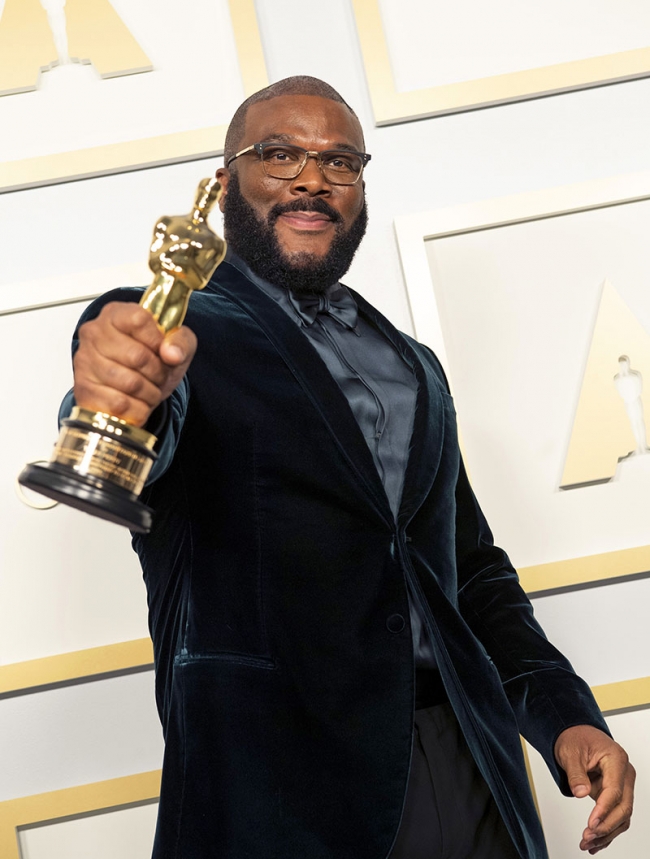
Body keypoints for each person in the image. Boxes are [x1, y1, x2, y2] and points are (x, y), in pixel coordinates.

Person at [64, 77, 634, 858]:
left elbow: (469, 572)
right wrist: (111, 402)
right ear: (225, 183)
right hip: (280, 792)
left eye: (340, 161)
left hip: (471, 764)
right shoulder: (168, 324)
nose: (311, 177)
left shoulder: (413, 363)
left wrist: (566, 715)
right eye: (280, 154)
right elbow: (133, 427)